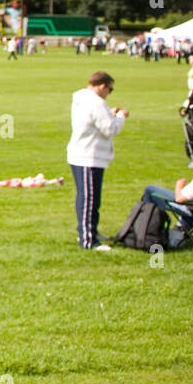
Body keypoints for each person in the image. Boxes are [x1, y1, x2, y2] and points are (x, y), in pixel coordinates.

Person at [67, 71, 128, 250]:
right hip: (88, 156)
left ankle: (90, 231)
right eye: (110, 89)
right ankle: (88, 240)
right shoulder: (96, 102)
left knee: (90, 198)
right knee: (88, 199)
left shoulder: (82, 99)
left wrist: (109, 113)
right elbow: (109, 129)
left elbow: (93, 121)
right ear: (102, 86)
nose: (109, 93)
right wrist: (121, 117)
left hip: (83, 153)